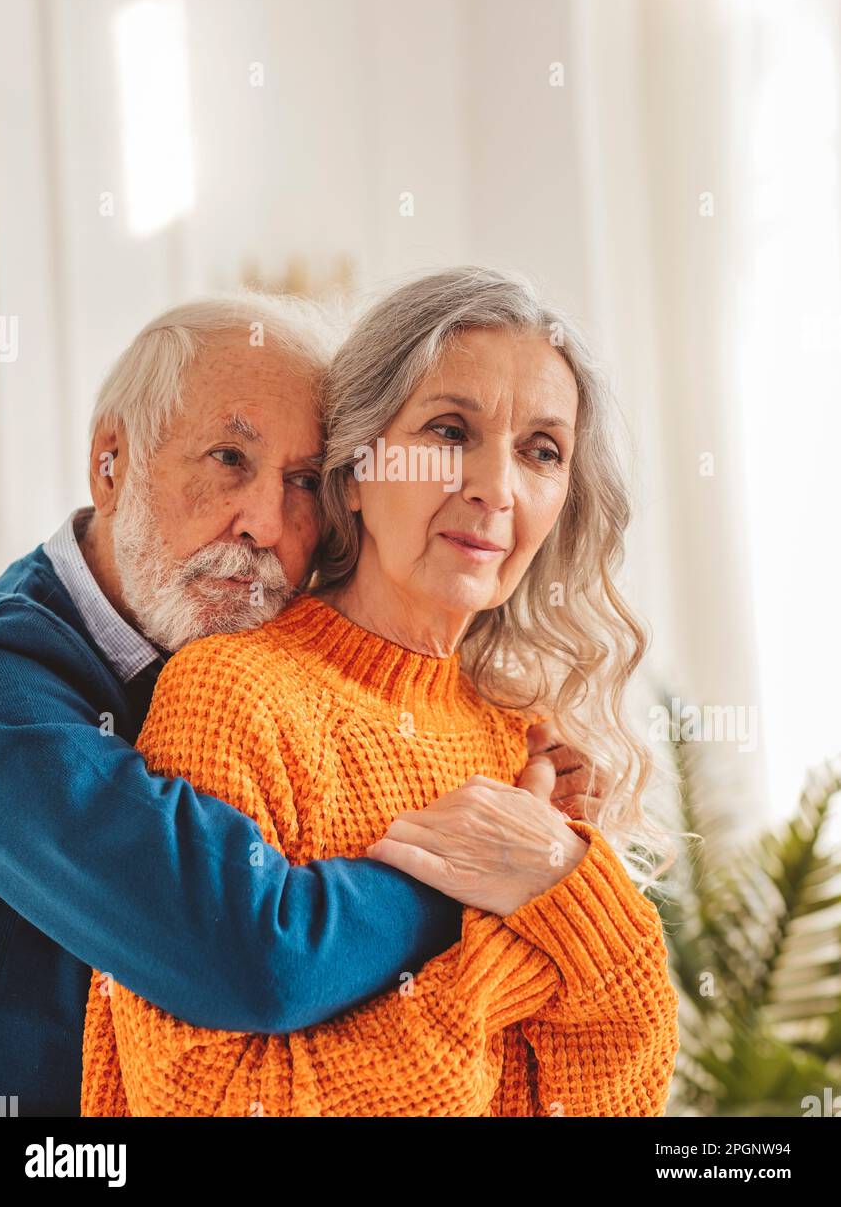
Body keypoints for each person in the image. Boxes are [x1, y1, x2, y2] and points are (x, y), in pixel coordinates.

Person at [80, 267, 680, 1118]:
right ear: (352, 473)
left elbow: (615, 1087)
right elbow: (209, 1103)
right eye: (449, 430)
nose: (495, 488)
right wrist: (531, 935)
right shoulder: (235, 693)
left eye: (540, 450)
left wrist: (567, 882)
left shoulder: (524, 742)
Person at [0, 291, 575, 1117]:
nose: (265, 522)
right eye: (229, 457)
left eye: (301, 482)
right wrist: (479, 868)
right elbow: (255, 956)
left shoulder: (254, 667)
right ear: (109, 463)